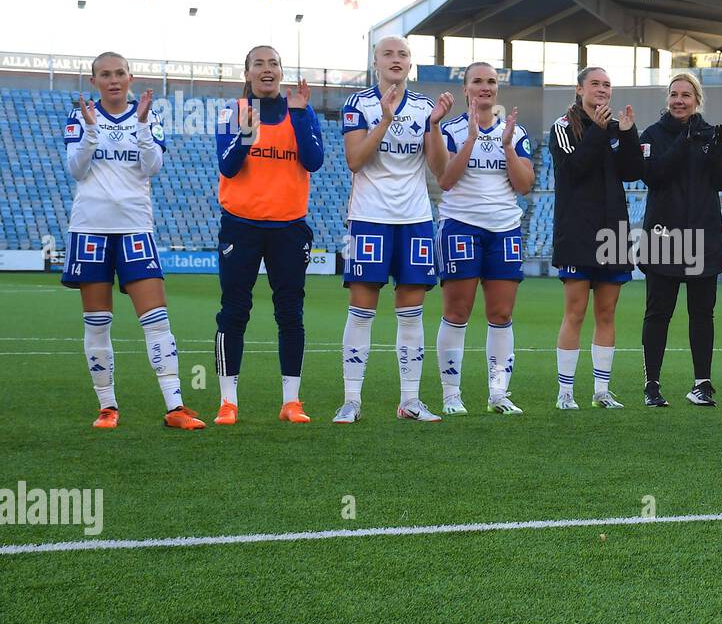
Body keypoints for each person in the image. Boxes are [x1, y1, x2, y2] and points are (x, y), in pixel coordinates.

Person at [61, 53, 204, 430]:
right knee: (97, 321)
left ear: (129, 77)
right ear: (94, 82)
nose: (113, 80)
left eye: (119, 73)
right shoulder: (80, 117)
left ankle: (175, 407)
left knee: (156, 319)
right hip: (90, 228)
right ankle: (107, 407)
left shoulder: (149, 117)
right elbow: (76, 169)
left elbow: (151, 167)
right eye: (105, 75)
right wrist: (92, 131)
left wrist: (141, 125)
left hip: (134, 229)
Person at [333, 37, 455, 425]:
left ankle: (411, 400)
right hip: (369, 217)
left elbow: (440, 169)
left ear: (410, 63)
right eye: (389, 54)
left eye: (403, 54)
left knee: (411, 314)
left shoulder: (423, 108)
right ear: (375, 62)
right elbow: (355, 160)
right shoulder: (359, 105)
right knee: (361, 311)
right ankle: (352, 400)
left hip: (415, 219)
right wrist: (385, 119)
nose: (396, 59)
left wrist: (434, 127)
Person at [213, 45, 324, 424]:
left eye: (273, 63)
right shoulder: (233, 111)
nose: (266, 69)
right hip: (241, 225)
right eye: (258, 63)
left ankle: (291, 401)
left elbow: (314, 160)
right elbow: (227, 167)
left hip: (289, 226)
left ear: (281, 71)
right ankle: (228, 401)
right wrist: (245, 135)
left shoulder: (301, 111)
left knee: (290, 313)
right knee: (233, 312)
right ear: (247, 73)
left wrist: (300, 115)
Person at [432, 63, 535, 415]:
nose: (485, 87)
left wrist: (506, 146)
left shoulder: (515, 133)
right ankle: (451, 393)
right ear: (465, 89)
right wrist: (474, 138)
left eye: (491, 81)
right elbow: (446, 179)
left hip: (504, 228)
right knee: (457, 311)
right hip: (461, 226)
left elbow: (524, 186)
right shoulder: (451, 130)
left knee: (501, 313)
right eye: (478, 81)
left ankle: (498, 393)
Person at [638, 73, 722, 407]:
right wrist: (684, 141)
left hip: (703, 236)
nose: (679, 100)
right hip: (663, 236)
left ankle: (702, 384)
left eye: (686, 95)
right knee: (658, 313)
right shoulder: (652, 134)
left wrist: (716, 152)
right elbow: (654, 175)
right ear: (667, 99)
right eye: (674, 94)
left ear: (697, 100)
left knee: (702, 313)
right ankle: (652, 385)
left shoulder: (711, 135)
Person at [549, 67, 641, 409]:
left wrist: (629, 134)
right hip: (576, 231)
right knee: (575, 312)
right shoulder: (563, 127)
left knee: (607, 313)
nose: (602, 90)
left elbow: (632, 172)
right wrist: (600, 132)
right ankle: (566, 393)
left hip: (613, 231)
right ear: (579, 89)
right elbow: (575, 169)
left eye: (607, 85)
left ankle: (602, 391)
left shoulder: (616, 128)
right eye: (595, 84)